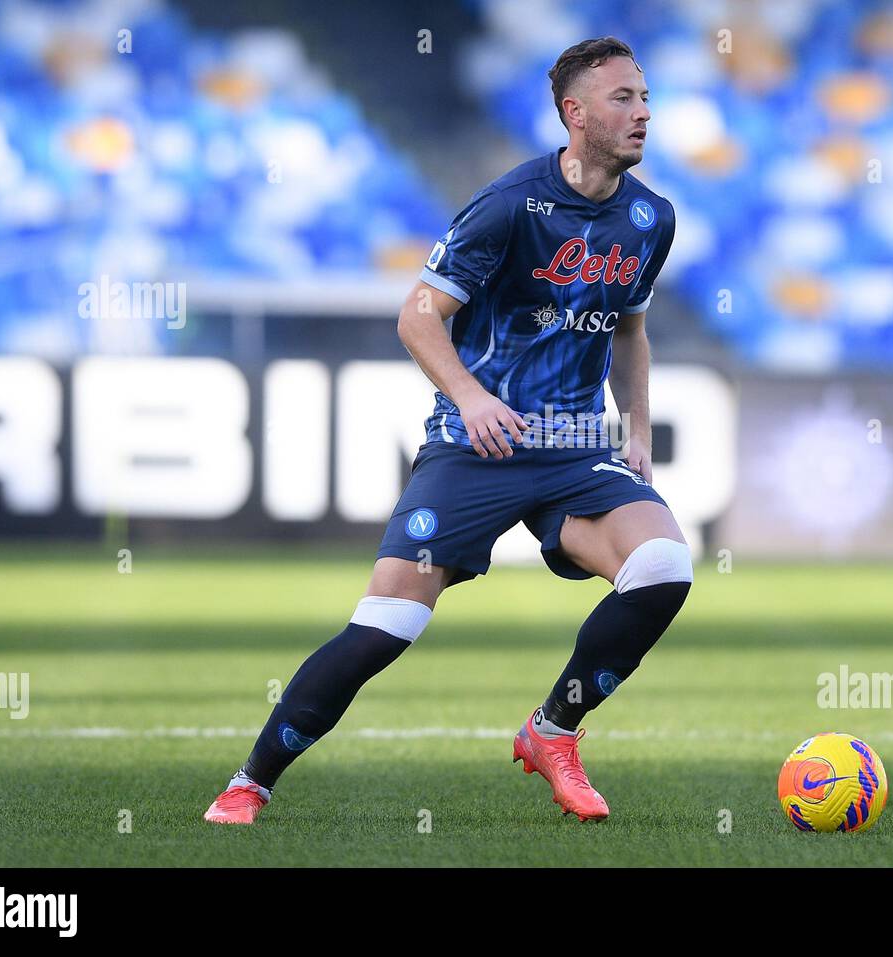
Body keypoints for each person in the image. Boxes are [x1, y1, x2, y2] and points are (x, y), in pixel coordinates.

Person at [204, 36, 691, 825]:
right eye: (622, 99)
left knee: (664, 566)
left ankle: (553, 730)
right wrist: (470, 398)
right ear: (574, 114)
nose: (642, 113)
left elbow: (630, 331)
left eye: (643, 96)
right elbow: (418, 314)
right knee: (386, 626)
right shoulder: (509, 205)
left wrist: (634, 425)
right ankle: (250, 780)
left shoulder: (649, 219)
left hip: (574, 448)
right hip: (478, 447)